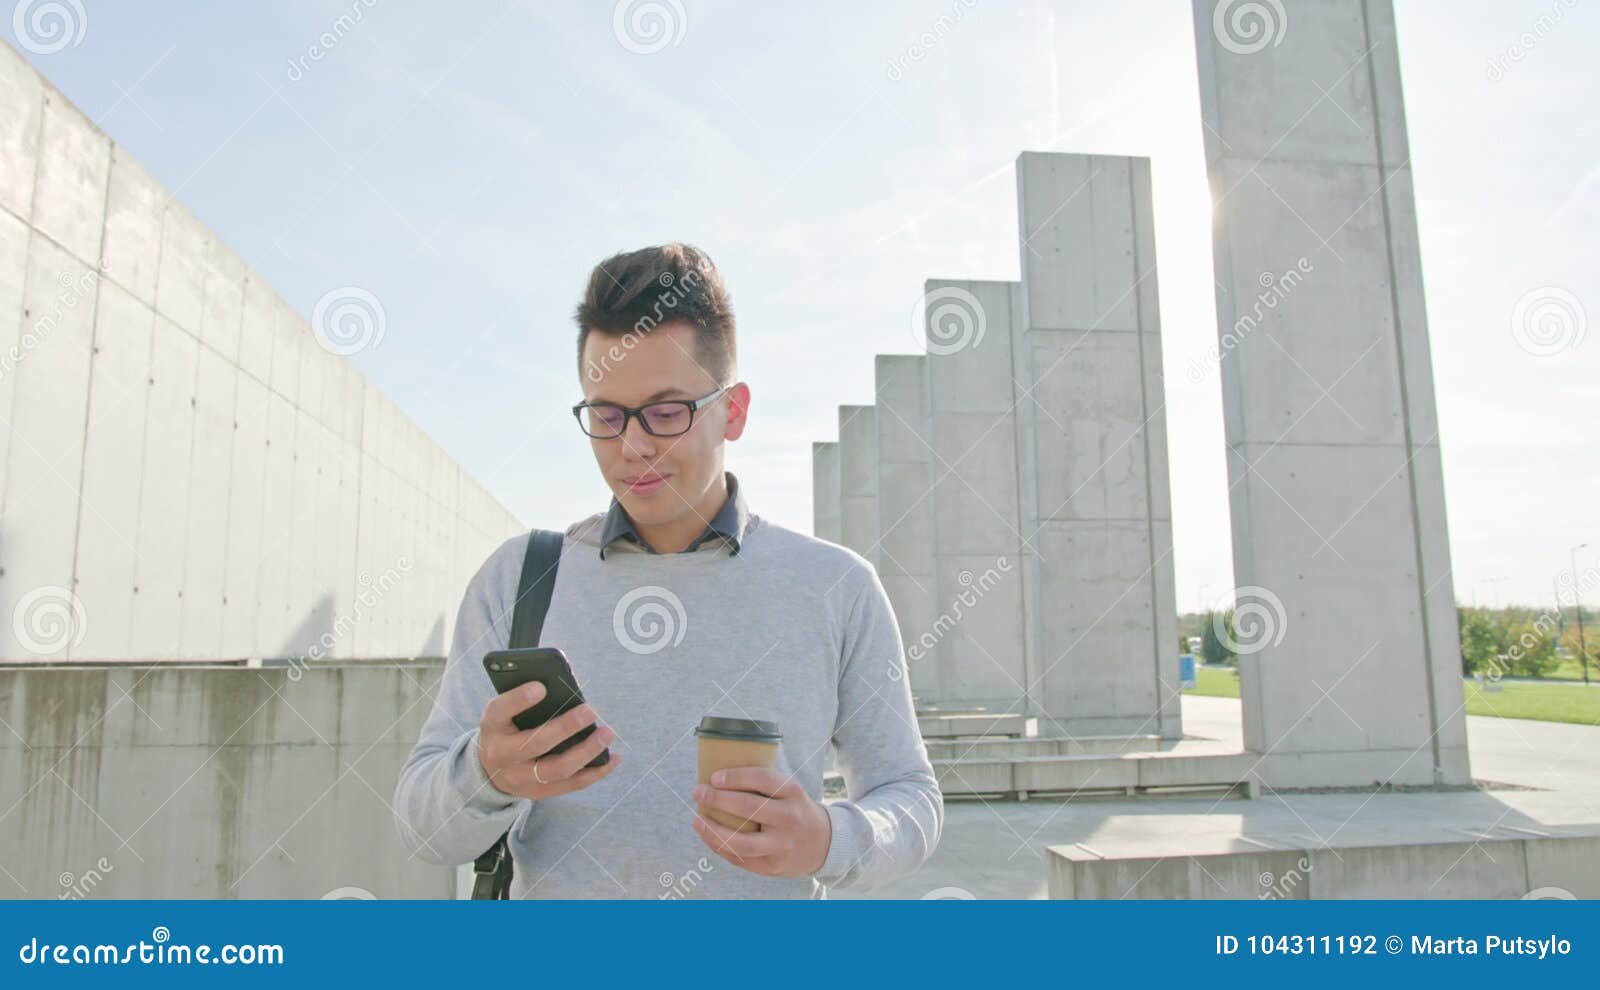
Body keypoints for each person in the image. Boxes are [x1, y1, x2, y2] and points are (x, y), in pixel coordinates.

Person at [393, 243, 942, 898]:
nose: (632, 446)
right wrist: (486, 774)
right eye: (605, 414)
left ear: (733, 411)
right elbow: (423, 831)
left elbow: (909, 796)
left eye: (665, 412)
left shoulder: (836, 588)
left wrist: (829, 838)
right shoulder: (520, 579)